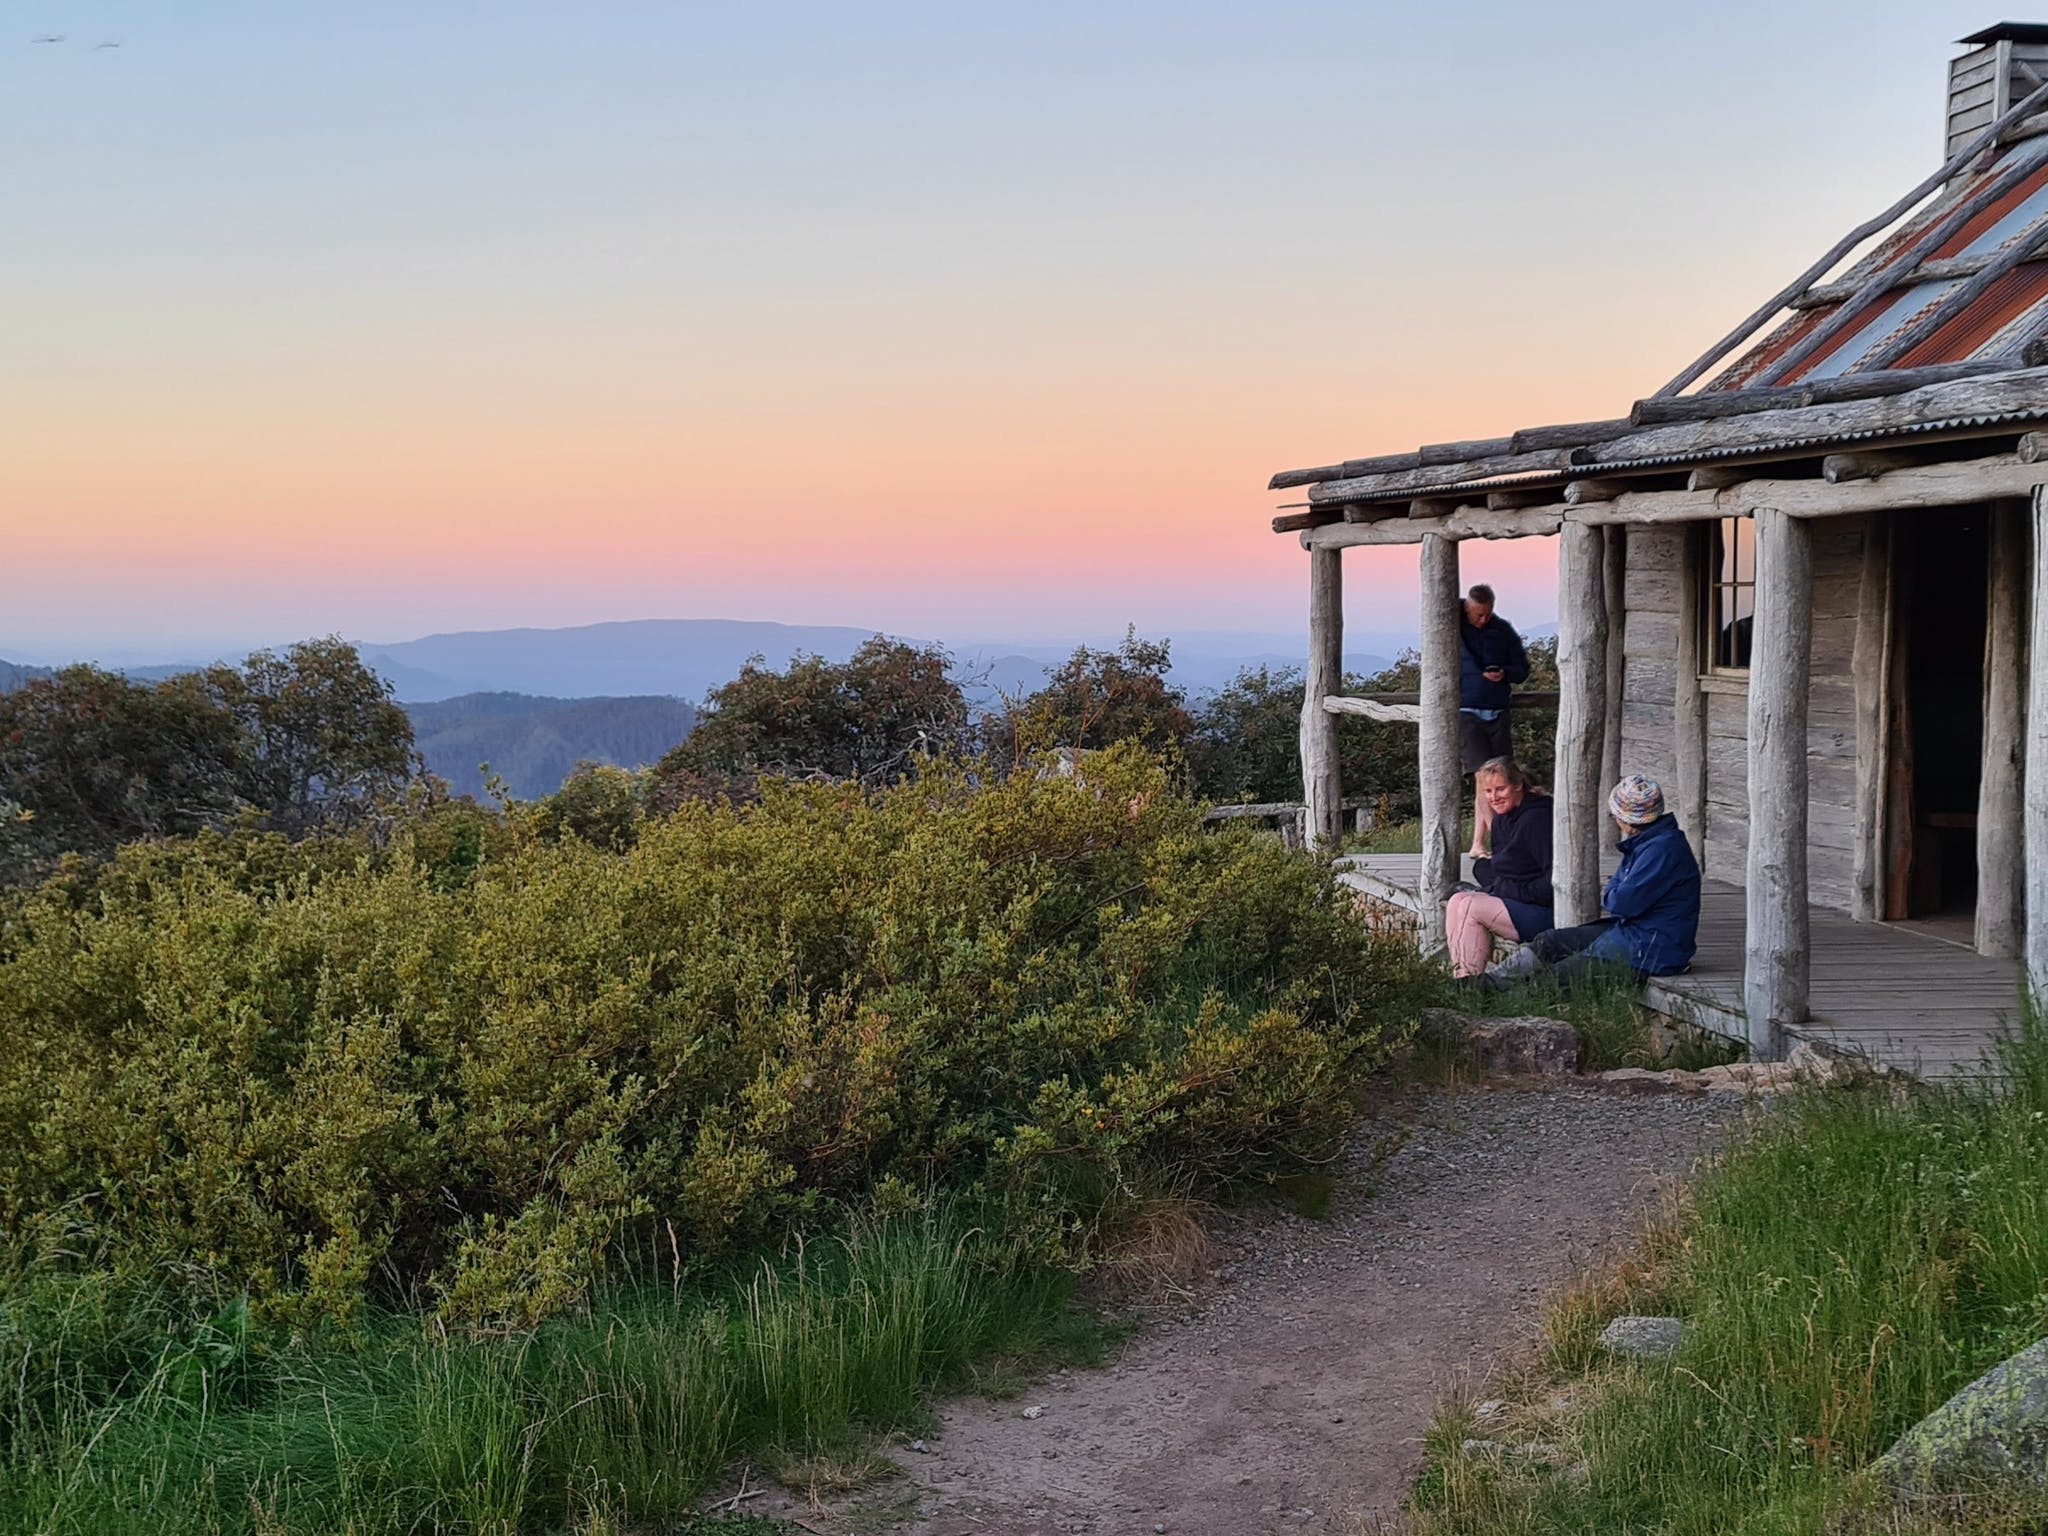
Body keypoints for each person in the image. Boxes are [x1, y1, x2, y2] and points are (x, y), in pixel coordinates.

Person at [1474, 774, 1700, 992]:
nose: (1615, 819)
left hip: (1651, 950)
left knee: (1554, 979)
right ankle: (1486, 985)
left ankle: (1497, 997)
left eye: (1615, 814)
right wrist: (1616, 888)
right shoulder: (1646, 843)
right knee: (1550, 941)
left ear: (1628, 819)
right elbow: (1618, 893)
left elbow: (1619, 902)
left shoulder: (1661, 851)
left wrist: (1614, 888)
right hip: (1631, 932)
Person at [1443, 758, 1554, 977]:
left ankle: (1471, 985)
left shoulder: (1537, 819)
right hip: (1514, 899)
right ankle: (1462, 980)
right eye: (1488, 791)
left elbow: (1553, 880)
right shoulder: (1503, 819)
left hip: (1545, 911)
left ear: (1518, 785)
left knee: (1469, 907)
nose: (1494, 797)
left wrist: (1509, 891)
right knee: (1458, 900)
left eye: (1500, 789)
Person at [1458, 583, 1530, 857]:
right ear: (1467, 609)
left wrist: (1504, 673)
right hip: (1466, 711)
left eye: (1487, 613)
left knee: (1496, 778)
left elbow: (1522, 669)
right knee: (1482, 776)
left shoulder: (1502, 630)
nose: (1483, 619)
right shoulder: (1453, 624)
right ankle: (1502, 844)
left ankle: (1478, 843)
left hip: (1498, 711)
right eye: (1478, 614)